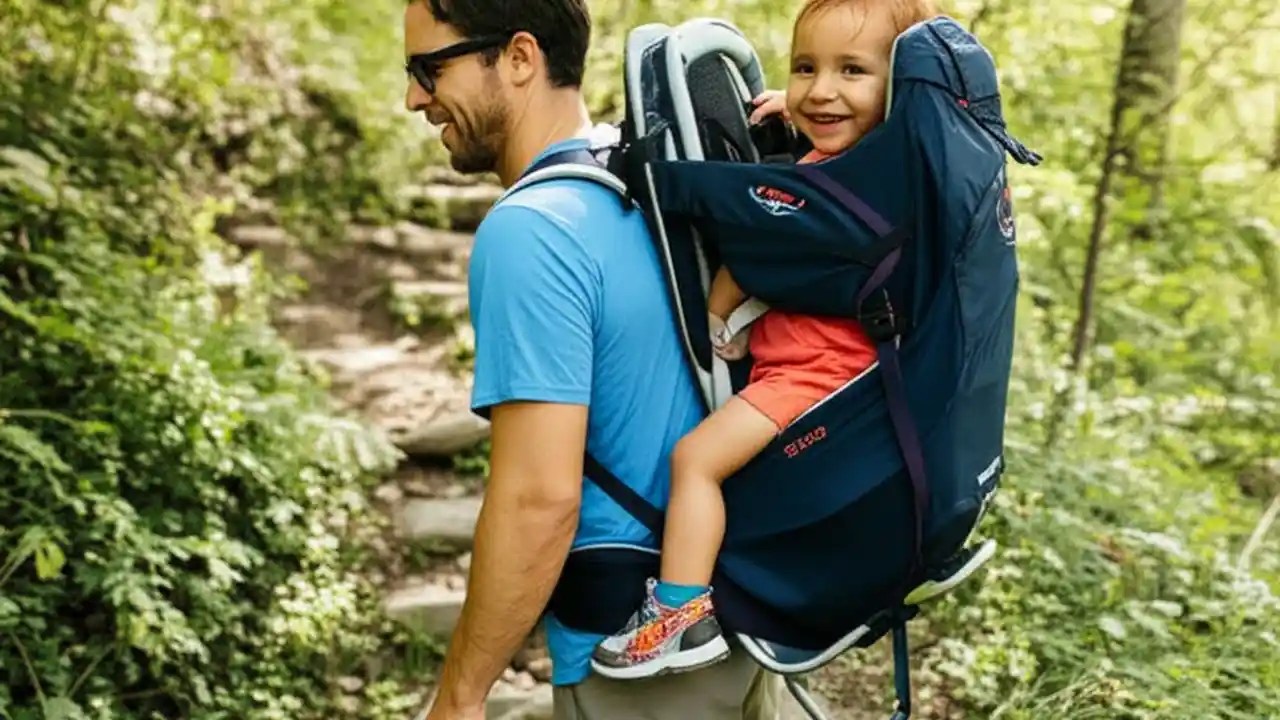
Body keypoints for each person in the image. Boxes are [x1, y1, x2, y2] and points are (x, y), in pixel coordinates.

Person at [400, 1, 782, 718]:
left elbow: (538, 502)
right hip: (735, 617)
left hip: (637, 656)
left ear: (519, 58)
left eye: (430, 68)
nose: (414, 97)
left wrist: (459, 696)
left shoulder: (530, 233)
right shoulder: (643, 176)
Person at [590, 0, 941, 680]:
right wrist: (805, 107)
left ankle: (681, 616)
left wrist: (722, 311)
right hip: (816, 366)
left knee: (695, 461)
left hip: (814, 379)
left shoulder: (833, 193)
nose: (822, 90)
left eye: (852, 72)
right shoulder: (876, 168)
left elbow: (755, 260)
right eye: (806, 68)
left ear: (897, 90)